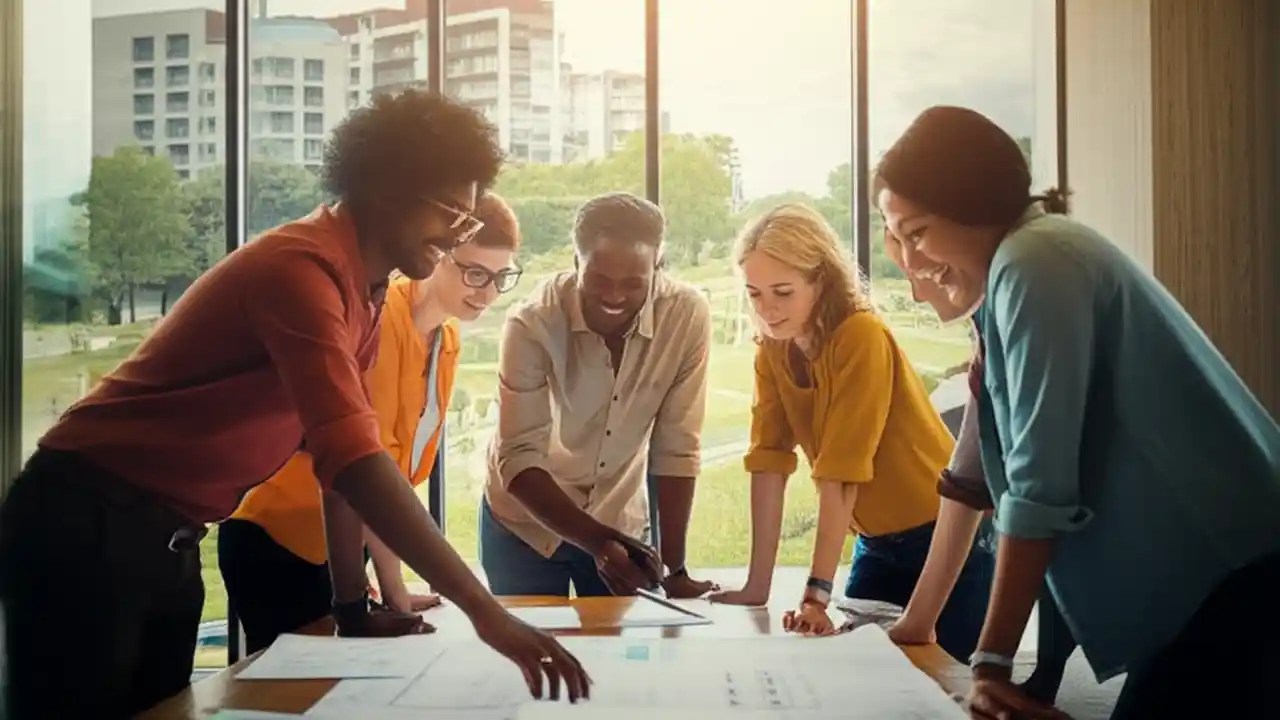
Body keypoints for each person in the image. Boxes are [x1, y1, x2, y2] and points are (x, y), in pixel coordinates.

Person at [0, 91, 589, 720]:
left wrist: (351, 609)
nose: (454, 237)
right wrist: (486, 613)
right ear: (388, 188)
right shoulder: (300, 270)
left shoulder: (362, 296)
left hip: (165, 538)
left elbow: (334, 465)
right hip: (86, 518)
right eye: (450, 212)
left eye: (467, 222)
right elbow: (359, 462)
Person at [874, 105, 1280, 720]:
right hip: (1214, 576)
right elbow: (981, 473)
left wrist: (991, 663)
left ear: (976, 203)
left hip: (1232, 573)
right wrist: (931, 629)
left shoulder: (1035, 265)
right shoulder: (1023, 265)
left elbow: (1039, 486)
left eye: (919, 232)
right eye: (894, 236)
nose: (907, 259)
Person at [219, 192, 525, 654]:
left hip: (339, 544)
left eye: (501, 277)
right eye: (475, 272)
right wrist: (396, 595)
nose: (486, 291)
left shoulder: (447, 339)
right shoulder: (379, 319)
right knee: (296, 694)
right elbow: (363, 471)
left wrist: (390, 584)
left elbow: (395, 473)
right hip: (279, 539)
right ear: (440, 254)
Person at [707, 203, 995, 664]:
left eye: (782, 291)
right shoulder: (772, 350)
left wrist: (816, 596)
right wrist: (755, 586)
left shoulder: (860, 334)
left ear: (821, 281)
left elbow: (841, 472)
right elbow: (768, 461)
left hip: (945, 536)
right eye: (755, 294)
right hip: (876, 544)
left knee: (945, 684)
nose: (767, 310)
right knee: (857, 675)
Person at [482, 191, 717, 600]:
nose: (614, 297)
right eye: (599, 280)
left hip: (619, 520)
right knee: (531, 654)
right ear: (576, 263)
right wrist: (598, 543)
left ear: (657, 269)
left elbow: (677, 447)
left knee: (621, 658)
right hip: (524, 523)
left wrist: (674, 568)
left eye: (633, 284)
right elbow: (518, 457)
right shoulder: (530, 324)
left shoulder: (686, 317)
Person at [882, 227, 1076, 704]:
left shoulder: (1031, 279)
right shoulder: (990, 322)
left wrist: (991, 663)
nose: (914, 291)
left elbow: (1039, 494)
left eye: (920, 271)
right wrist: (917, 623)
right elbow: (965, 477)